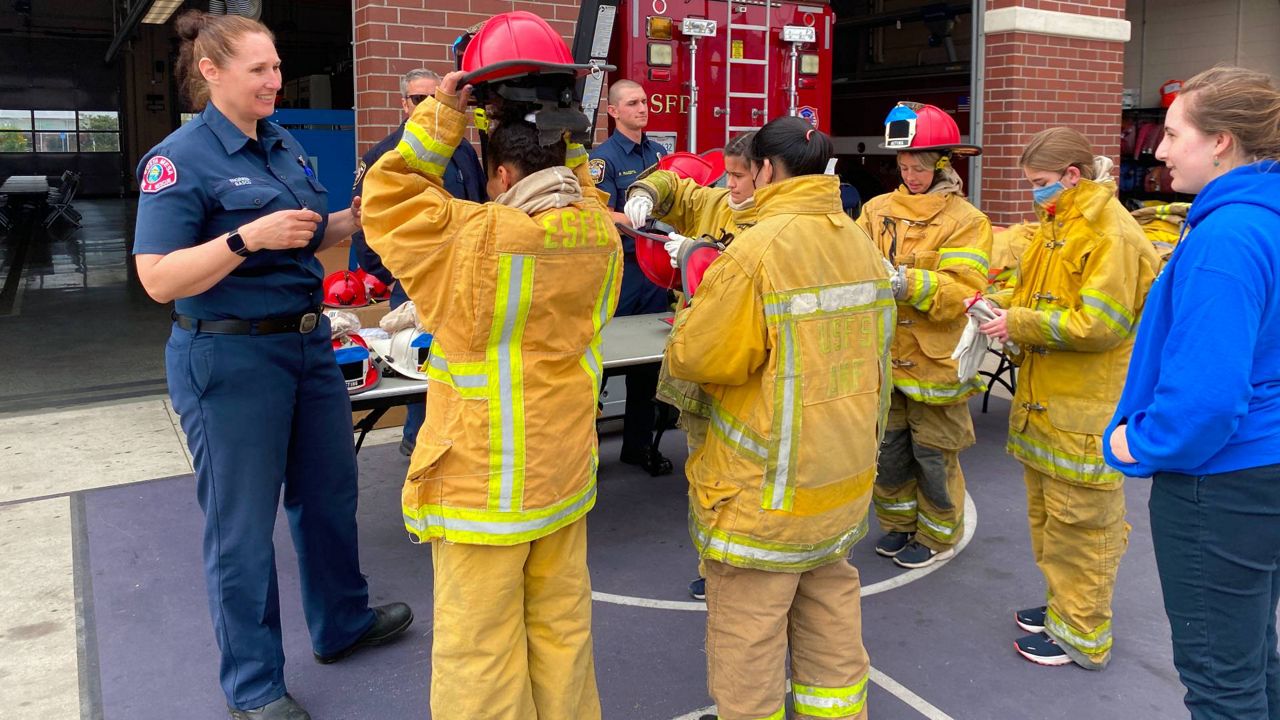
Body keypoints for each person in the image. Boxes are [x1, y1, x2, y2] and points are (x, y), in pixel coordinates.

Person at [132, 11, 411, 720]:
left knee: (327, 496)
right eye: (259, 69)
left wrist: (358, 218)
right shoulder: (180, 159)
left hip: (308, 347)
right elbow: (159, 279)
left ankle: (341, 623)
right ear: (211, 72)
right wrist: (242, 238)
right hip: (228, 356)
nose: (275, 80)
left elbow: (310, 233)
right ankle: (254, 686)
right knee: (241, 527)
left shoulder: (281, 145)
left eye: (277, 66)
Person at [360, 25, 621, 718]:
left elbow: (386, 195)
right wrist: (554, 123)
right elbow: (580, 183)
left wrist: (443, 115)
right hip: (562, 480)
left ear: (501, 175)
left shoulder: (469, 241)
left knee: (481, 654)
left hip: (482, 492)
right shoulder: (598, 233)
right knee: (562, 633)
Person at [667, 116, 893, 720]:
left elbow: (699, 358)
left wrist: (695, 286)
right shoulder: (858, 240)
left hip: (764, 493)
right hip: (840, 482)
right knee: (831, 623)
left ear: (766, 169)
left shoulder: (756, 251)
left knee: (749, 638)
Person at [1104, 65, 1280, 718]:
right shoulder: (1265, 221)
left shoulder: (1227, 238)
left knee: (1220, 684)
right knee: (1252, 657)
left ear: (1222, 142)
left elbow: (1207, 397)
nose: (1157, 149)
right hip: (1263, 471)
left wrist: (1140, 442)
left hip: (1220, 482)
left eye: (1175, 133)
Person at [979, 127, 1159, 670]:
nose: (1034, 194)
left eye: (1039, 183)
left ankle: (1082, 635)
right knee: (1053, 523)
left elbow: (1099, 324)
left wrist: (1020, 321)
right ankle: (1064, 609)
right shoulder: (1061, 225)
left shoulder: (1110, 235)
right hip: (1051, 408)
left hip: (1085, 411)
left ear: (1072, 176)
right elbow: (1039, 295)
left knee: (1084, 528)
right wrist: (995, 304)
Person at [856, 102, 993, 569]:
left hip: (936, 361)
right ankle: (897, 526)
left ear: (941, 163)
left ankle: (936, 533)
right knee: (889, 451)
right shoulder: (876, 211)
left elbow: (966, 289)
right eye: (902, 166)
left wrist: (906, 283)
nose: (910, 175)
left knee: (933, 455)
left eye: (918, 166)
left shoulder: (966, 220)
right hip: (884, 359)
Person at [624, 132, 757, 601]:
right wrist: (646, 192)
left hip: (743, 383)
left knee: (740, 485)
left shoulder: (779, 225)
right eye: (729, 174)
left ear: (768, 173)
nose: (732, 185)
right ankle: (714, 569)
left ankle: (740, 571)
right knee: (703, 479)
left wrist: (705, 260)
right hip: (700, 373)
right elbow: (679, 187)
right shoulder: (719, 202)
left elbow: (754, 290)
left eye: (740, 176)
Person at [350, 67, 486, 456]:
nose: (428, 105)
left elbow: (477, 206)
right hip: (416, 291)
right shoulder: (383, 155)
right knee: (422, 387)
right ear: (403, 104)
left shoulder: (462, 149)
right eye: (419, 99)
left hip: (466, 285)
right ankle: (416, 449)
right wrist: (402, 276)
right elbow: (367, 233)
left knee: (463, 378)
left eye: (434, 97)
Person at [590, 78, 673, 476]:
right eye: (633, 103)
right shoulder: (602, 159)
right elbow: (596, 211)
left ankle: (638, 447)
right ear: (614, 111)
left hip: (656, 269)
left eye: (645, 101)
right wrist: (631, 220)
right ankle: (585, 454)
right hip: (620, 272)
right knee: (601, 364)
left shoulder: (659, 153)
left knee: (649, 365)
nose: (643, 108)